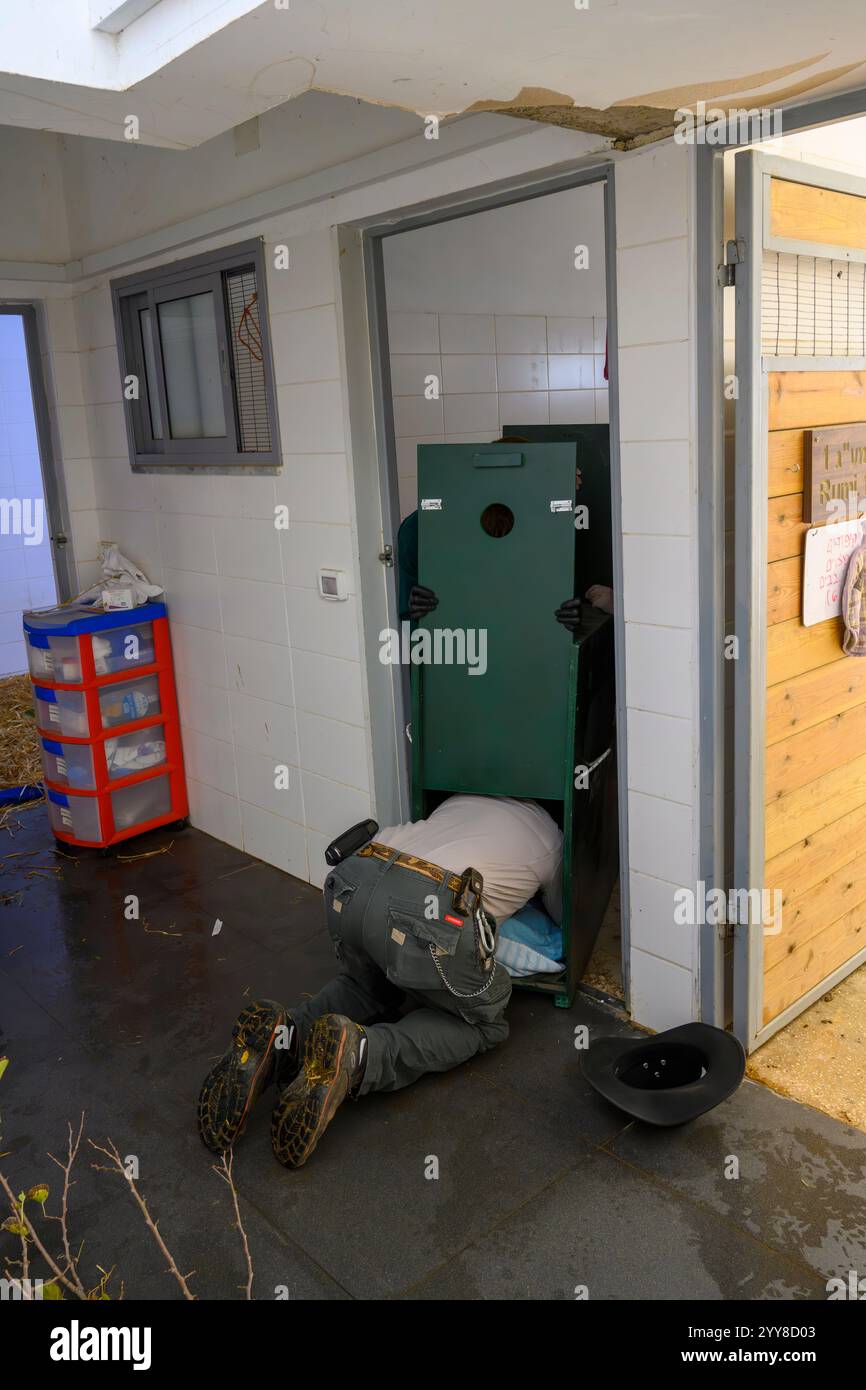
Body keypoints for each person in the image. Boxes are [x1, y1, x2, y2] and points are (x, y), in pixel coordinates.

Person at [197, 794, 562, 1168]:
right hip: (428, 909)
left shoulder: (459, 800)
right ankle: (358, 1054)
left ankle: (286, 1034)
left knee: (366, 982)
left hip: (355, 880)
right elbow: (564, 915)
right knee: (482, 1022)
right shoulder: (551, 837)